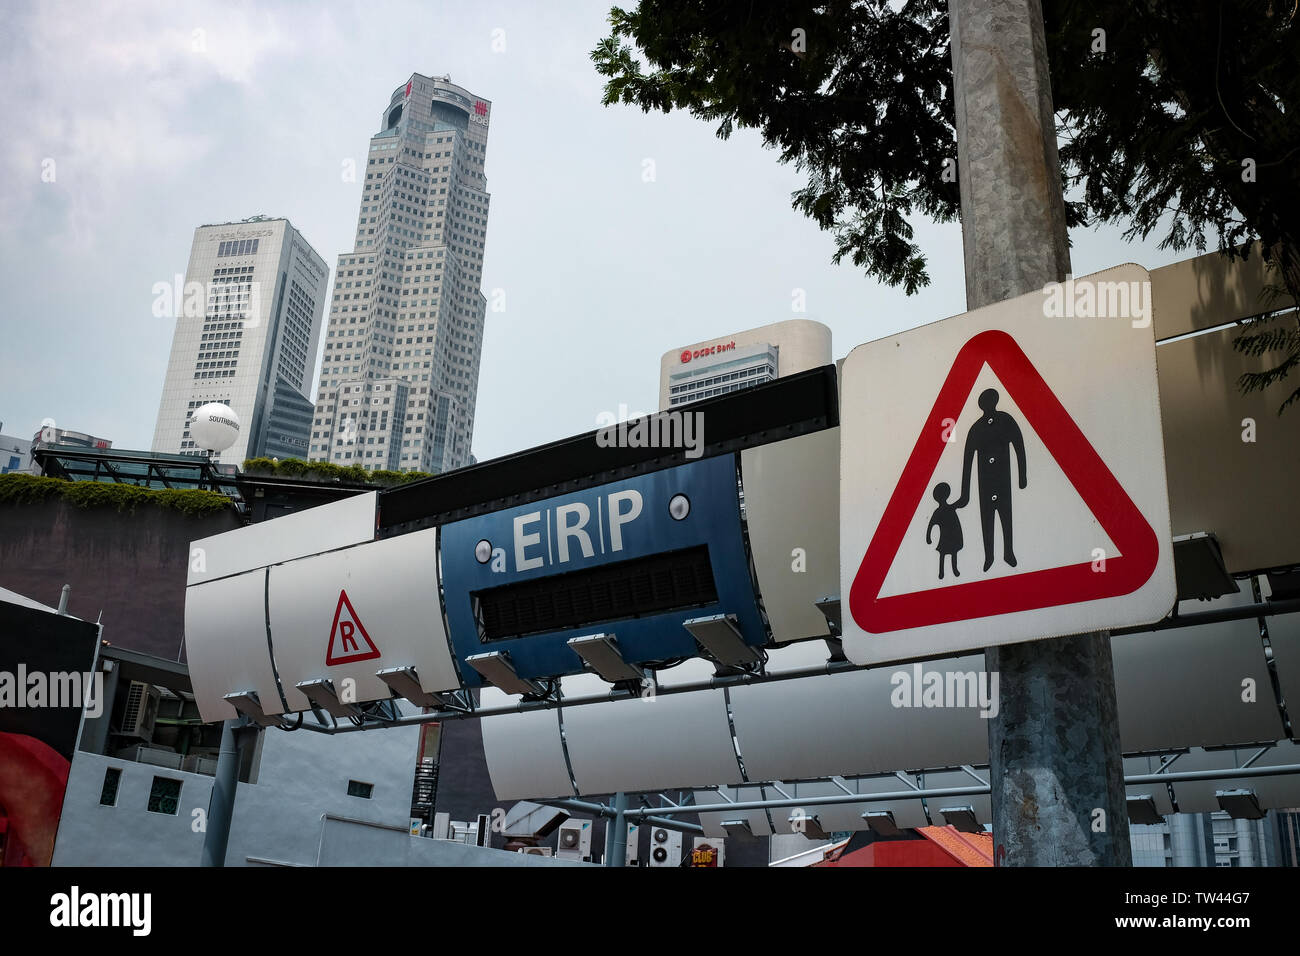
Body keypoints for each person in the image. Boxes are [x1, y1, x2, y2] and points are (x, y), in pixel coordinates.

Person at [955, 388, 1027, 572]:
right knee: (987, 521)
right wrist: (965, 495)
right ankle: (989, 557)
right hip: (985, 485)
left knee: (1006, 517)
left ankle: (1008, 552)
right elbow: (967, 462)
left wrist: (1022, 476)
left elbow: (1019, 445)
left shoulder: (1005, 420)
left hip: (1003, 481)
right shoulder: (976, 428)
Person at [926, 482, 963, 580]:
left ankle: (954, 570)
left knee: (952, 553)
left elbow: (963, 501)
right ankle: (941, 572)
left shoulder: (949, 509)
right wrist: (928, 537)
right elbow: (931, 524)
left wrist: (929, 536)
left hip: (952, 536)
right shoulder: (940, 511)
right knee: (943, 554)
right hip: (945, 537)